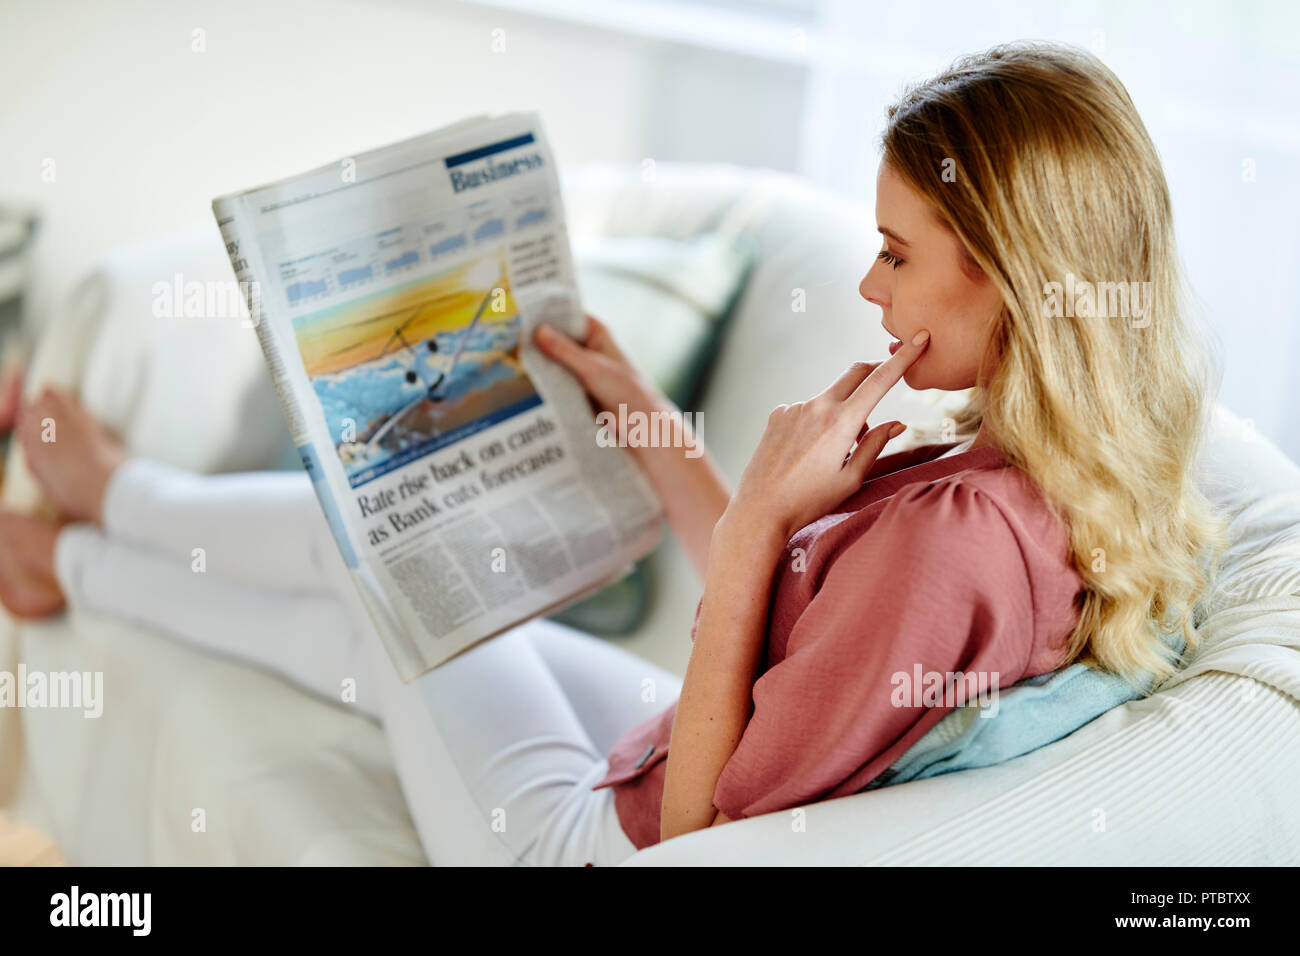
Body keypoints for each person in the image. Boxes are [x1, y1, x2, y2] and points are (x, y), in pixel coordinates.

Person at [0, 41, 1226, 864]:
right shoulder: (1038, 480)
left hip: (596, 840)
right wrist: (638, 411)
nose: (867, 283)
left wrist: (755, 526)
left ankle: (105, 497)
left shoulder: (956, 542)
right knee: (369, 633)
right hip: (669, 739)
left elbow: (702, 835)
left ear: (1007, 274)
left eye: (897, 255)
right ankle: (79, 560)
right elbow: (788, 647)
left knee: (387, 548)